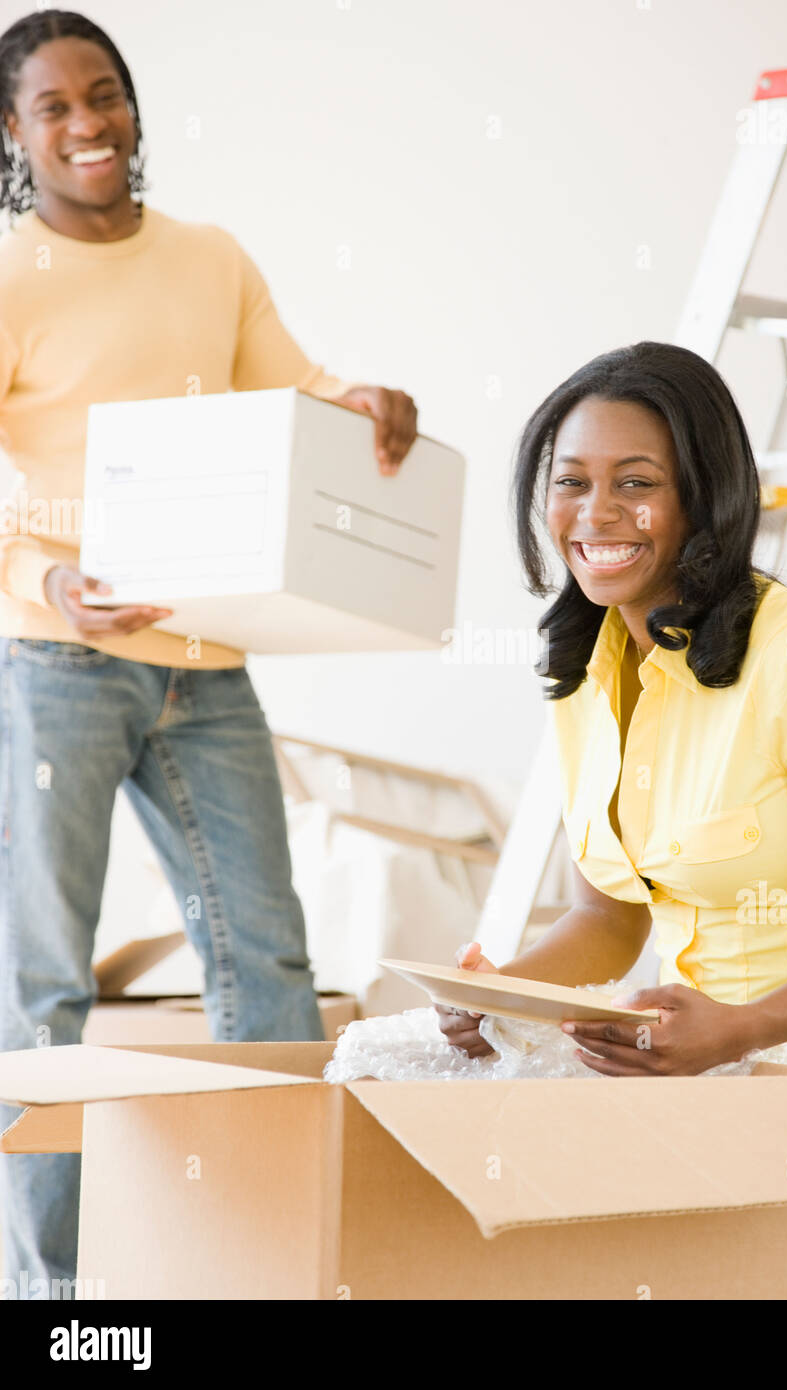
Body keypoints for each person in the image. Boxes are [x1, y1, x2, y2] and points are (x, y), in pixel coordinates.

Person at [0, 10, 417, 1297]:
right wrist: (47, 573)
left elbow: (293, 392)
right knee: (44, 986)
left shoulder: (210, 256)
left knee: (267, 962)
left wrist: (368, 407)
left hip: (209, 655)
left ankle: (272, 1265)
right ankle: (53, 1292)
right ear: (14, 136)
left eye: (105, 95)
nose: (88, 125)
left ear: (134, 106)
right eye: (55, 106)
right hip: (53, 662)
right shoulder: (13, 276)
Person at [437, 340, 787, 1271]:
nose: (597, 513)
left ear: (704, 497)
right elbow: (606, 916)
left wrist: (741, 1026)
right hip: (744, 1103)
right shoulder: (587, 677)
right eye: (570, 481)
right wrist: (504, 1001)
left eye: (636, 482)